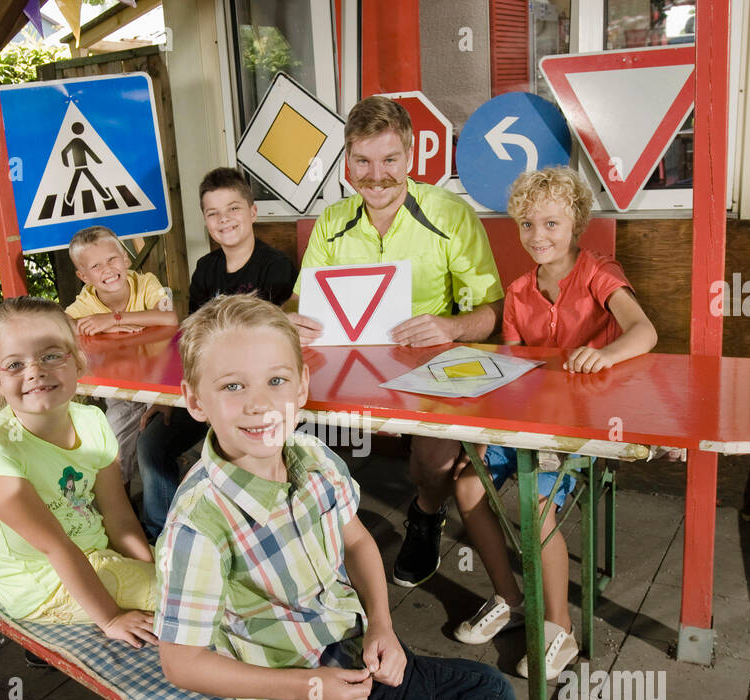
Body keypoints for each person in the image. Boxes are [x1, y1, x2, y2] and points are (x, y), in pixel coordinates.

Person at [155, 295, 516, 700]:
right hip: (289, 691)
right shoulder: (198, 521)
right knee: (491, 697)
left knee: (433, 681)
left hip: (343, 646)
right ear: (194, 401)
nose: (258, 405)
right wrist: (305, 687)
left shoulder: (313, 456)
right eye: (231, 387)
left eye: (275, 380)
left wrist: (383, 625)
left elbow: (356, 541)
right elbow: (180, 663)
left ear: (301, 384)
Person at [288, 95, 504, 593]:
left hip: (431, 368)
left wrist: (451, 327)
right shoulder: (331, 221)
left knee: (433, 461)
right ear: (347, 163)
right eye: (362, 161)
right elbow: (297, 300)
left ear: (410, 158)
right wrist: (288, 318)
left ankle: (426, 513)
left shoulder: (450, 215)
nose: (376, 174)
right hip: (344, 368)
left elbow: (493, 314)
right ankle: (321, 540)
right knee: (295, 440)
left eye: (389, 160)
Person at [453, 167, 658, 678]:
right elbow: (515, 366)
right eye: (527, 224)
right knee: (466, 487)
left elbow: (645, 331)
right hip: (532, 419)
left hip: (589, 422)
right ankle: (508, 596)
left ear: (575, 225)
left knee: (536, 508)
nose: (538, 236)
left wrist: (605, 355)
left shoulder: (598, 272)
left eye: (551, 224)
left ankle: (560, 629)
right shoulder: (519, 291)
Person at [0, 297, 163, 700]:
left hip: (91, 553)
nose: (34, 371)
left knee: (186, 563)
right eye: (15, 364)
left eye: (51, 354)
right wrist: (110, 619)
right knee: (189, 599)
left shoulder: (92, 421)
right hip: (39, 581)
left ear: (77, 361)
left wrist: (150, 567)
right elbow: (56, 547)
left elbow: (117, 514)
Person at [135, 167, 298, 538]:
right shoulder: (205, 269)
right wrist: (171, 396)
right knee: (151, 442)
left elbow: (275, 347)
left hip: (255, 398)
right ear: (206, 221)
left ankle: (246, 537)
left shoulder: (276, 268)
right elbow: (190, 341)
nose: (224, 220)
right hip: (207, 392)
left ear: (253, 212)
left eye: (233, 209)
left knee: (230, 453)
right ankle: (164, 537)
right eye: (213, 213)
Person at [64, 225, 177, 487]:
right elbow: (58, 323)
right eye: (95, 266)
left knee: (152, 448)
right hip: (119, 394)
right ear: (83, 275)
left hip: (159, 386)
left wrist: (113, 319)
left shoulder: (145, 283)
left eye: (113, 259)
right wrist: (109, 326)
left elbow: (170, 318)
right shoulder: (87, 301)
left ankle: (154, 513)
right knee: (113, 455)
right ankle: (123, 507)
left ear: (126, 259)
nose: (107, 269)